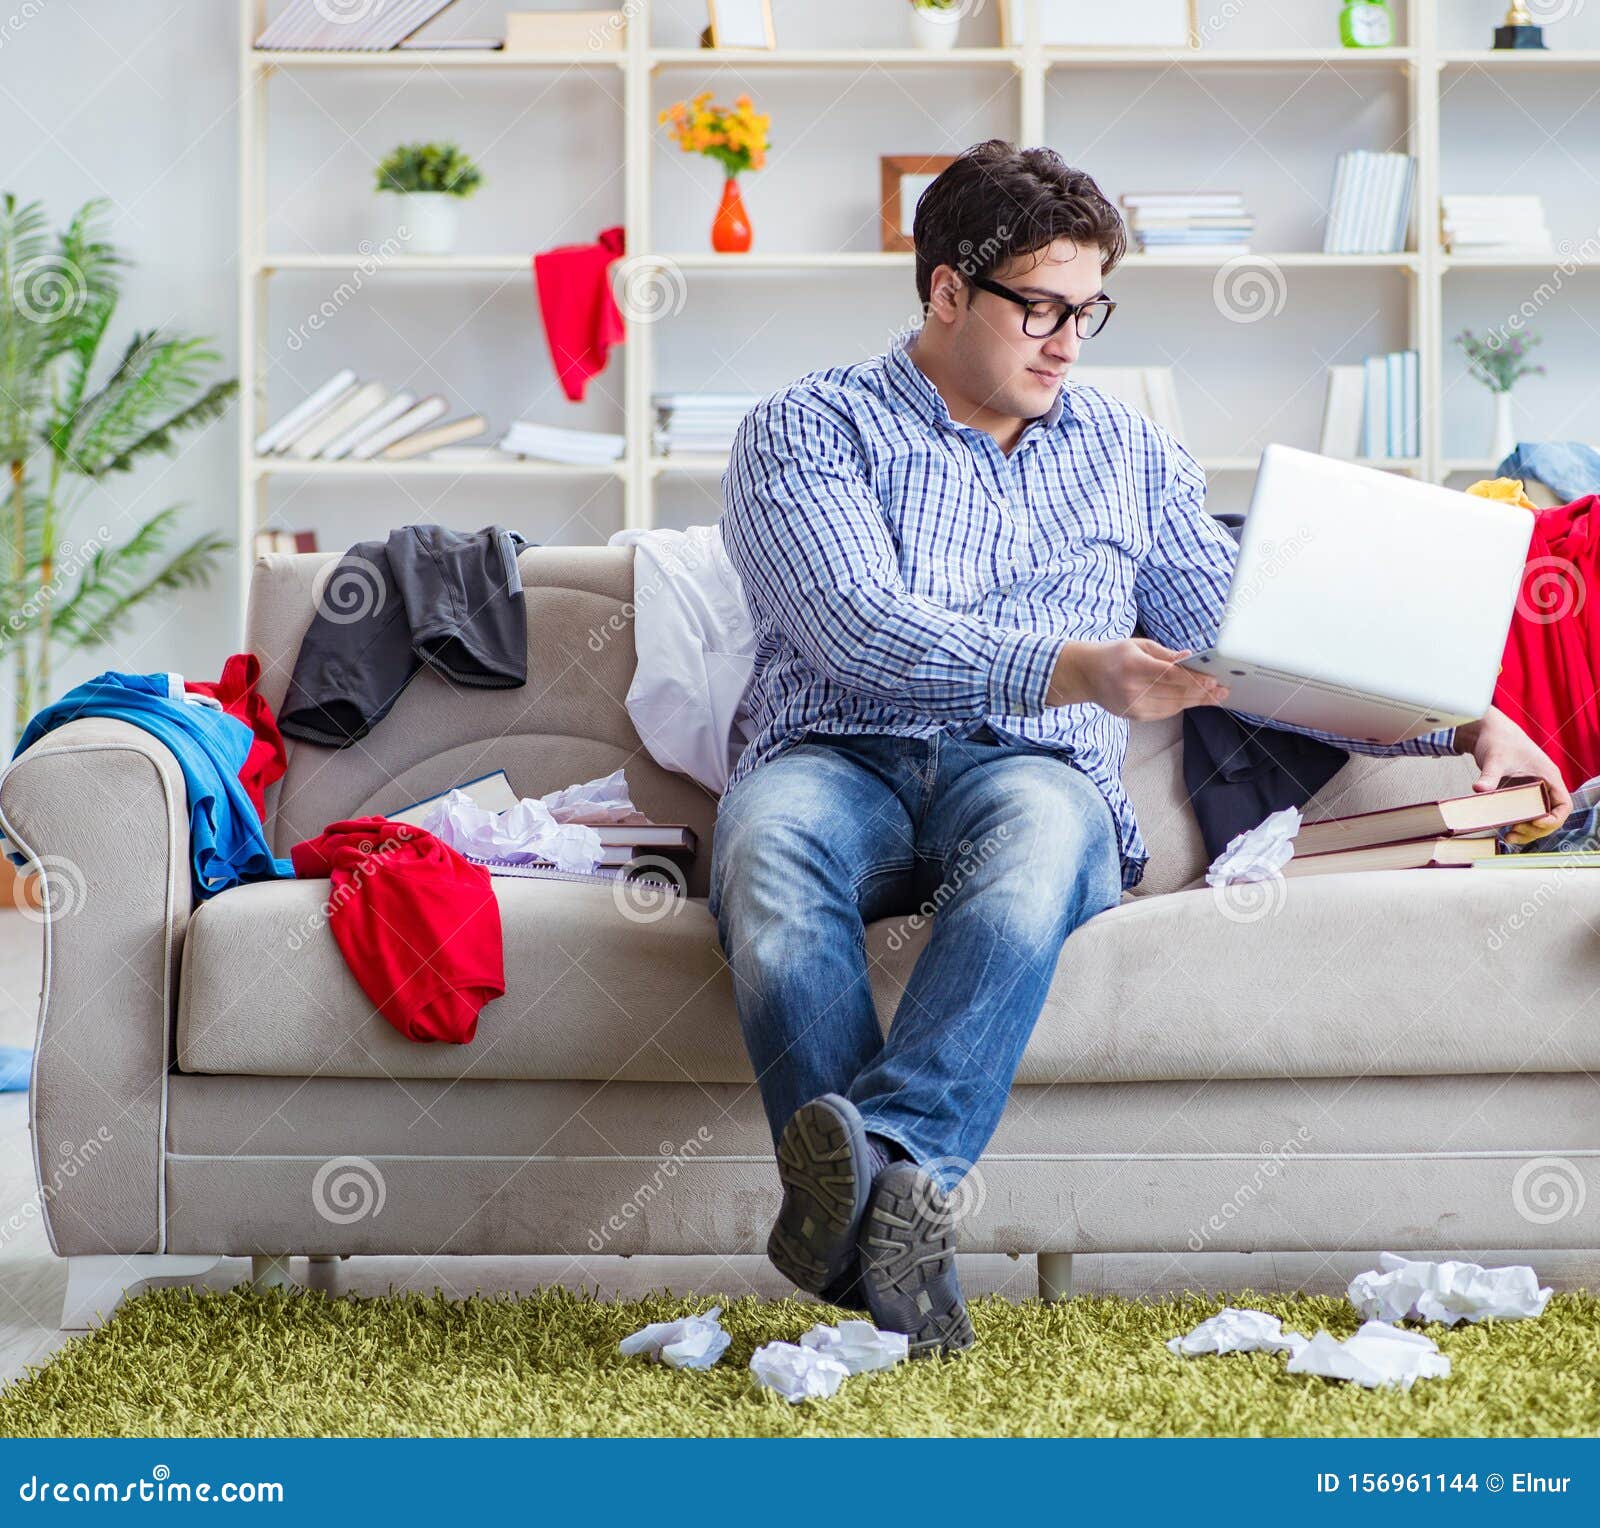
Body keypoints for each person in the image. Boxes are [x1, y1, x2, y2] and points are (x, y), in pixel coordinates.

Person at [709, 140, 1569, 1358]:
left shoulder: (1127, 451)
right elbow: (858, 631)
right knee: (767, 853)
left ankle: (880, 1172)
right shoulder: (806, 431)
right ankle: (892, 1242)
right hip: (834, 753)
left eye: (1088, 312)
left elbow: (1246, 640)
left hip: (1025, 777)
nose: (1067, 343)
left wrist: (1460, 716)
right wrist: (1073, 665)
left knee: (1043, 842)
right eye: (1042, 309)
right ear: (947, 292)